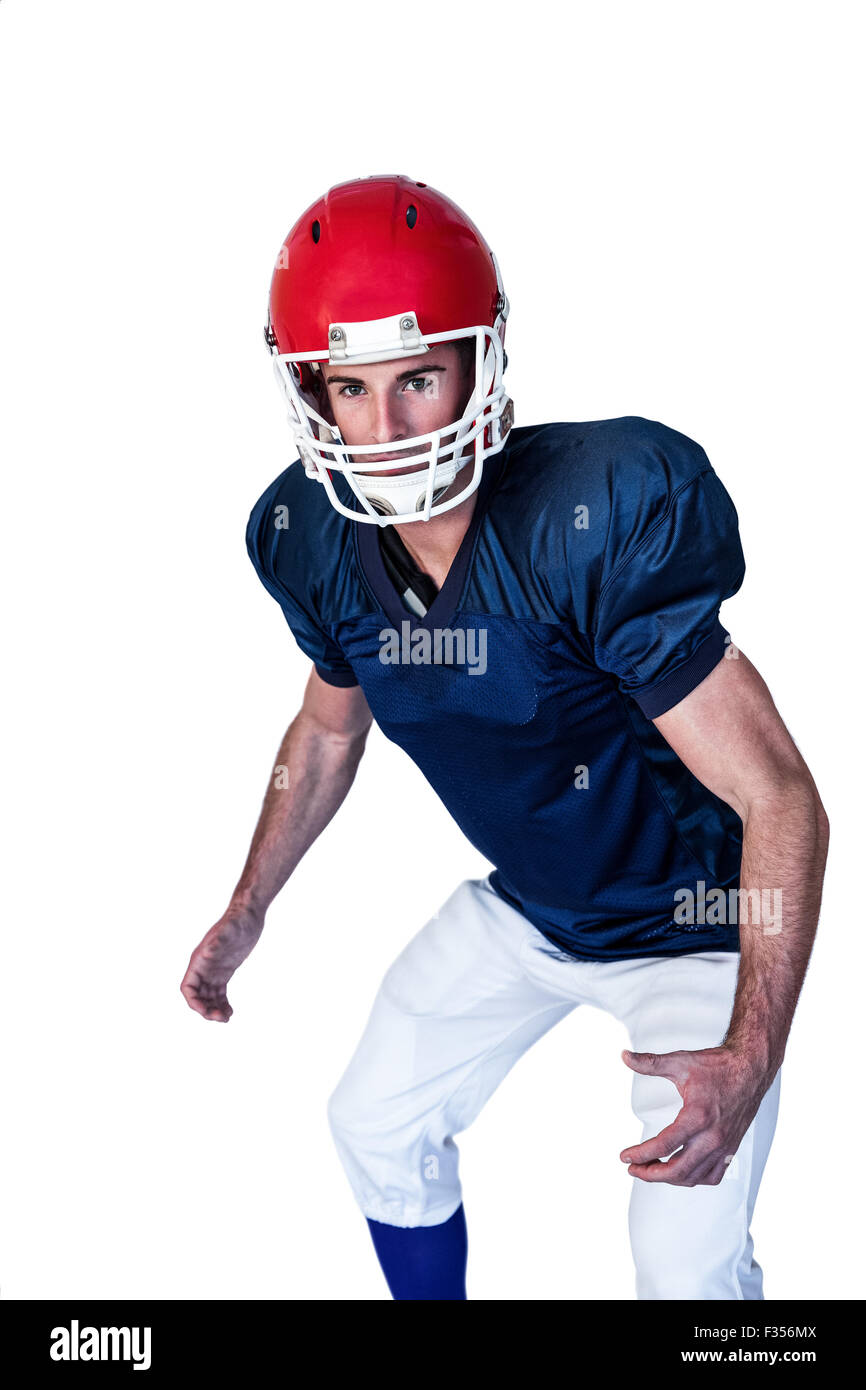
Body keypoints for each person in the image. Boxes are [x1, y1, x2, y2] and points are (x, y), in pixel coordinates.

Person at [181, 175, 830, 1300]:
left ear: (479, 364)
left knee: (682, 1264)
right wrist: (249, 903)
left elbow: (780, 796)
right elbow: (327, 732)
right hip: (530, 908)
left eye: (419, 378)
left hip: (693, 928)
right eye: (352, 387)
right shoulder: (305, 537)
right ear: (312, 393)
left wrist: (751, 1047)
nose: (383, 431)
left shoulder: (597, 512)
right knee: (373, 1123)